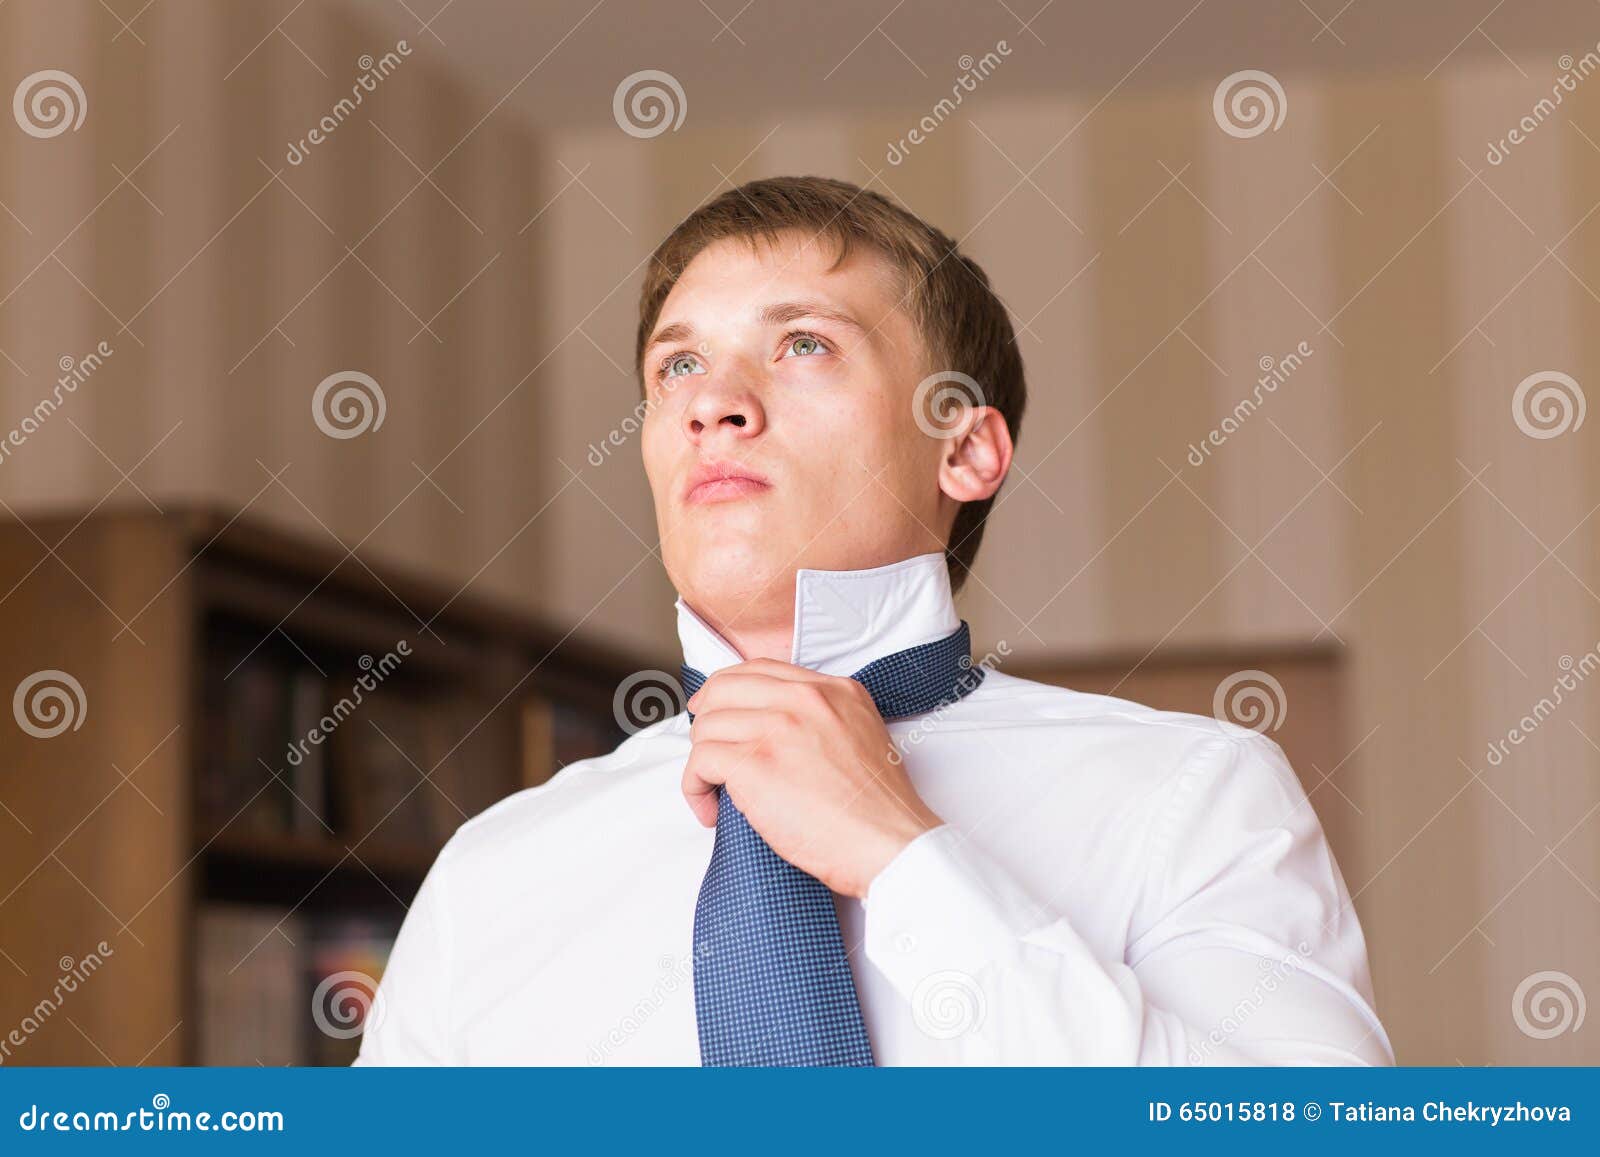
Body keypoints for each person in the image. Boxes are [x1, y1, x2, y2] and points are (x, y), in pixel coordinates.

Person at [356, 175, 1392, 1066]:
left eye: (803, 343)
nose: (712, 402)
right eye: (678, 364)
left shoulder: (1196, 799)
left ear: (965, 451)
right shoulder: (494, 876)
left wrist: (907, 860)